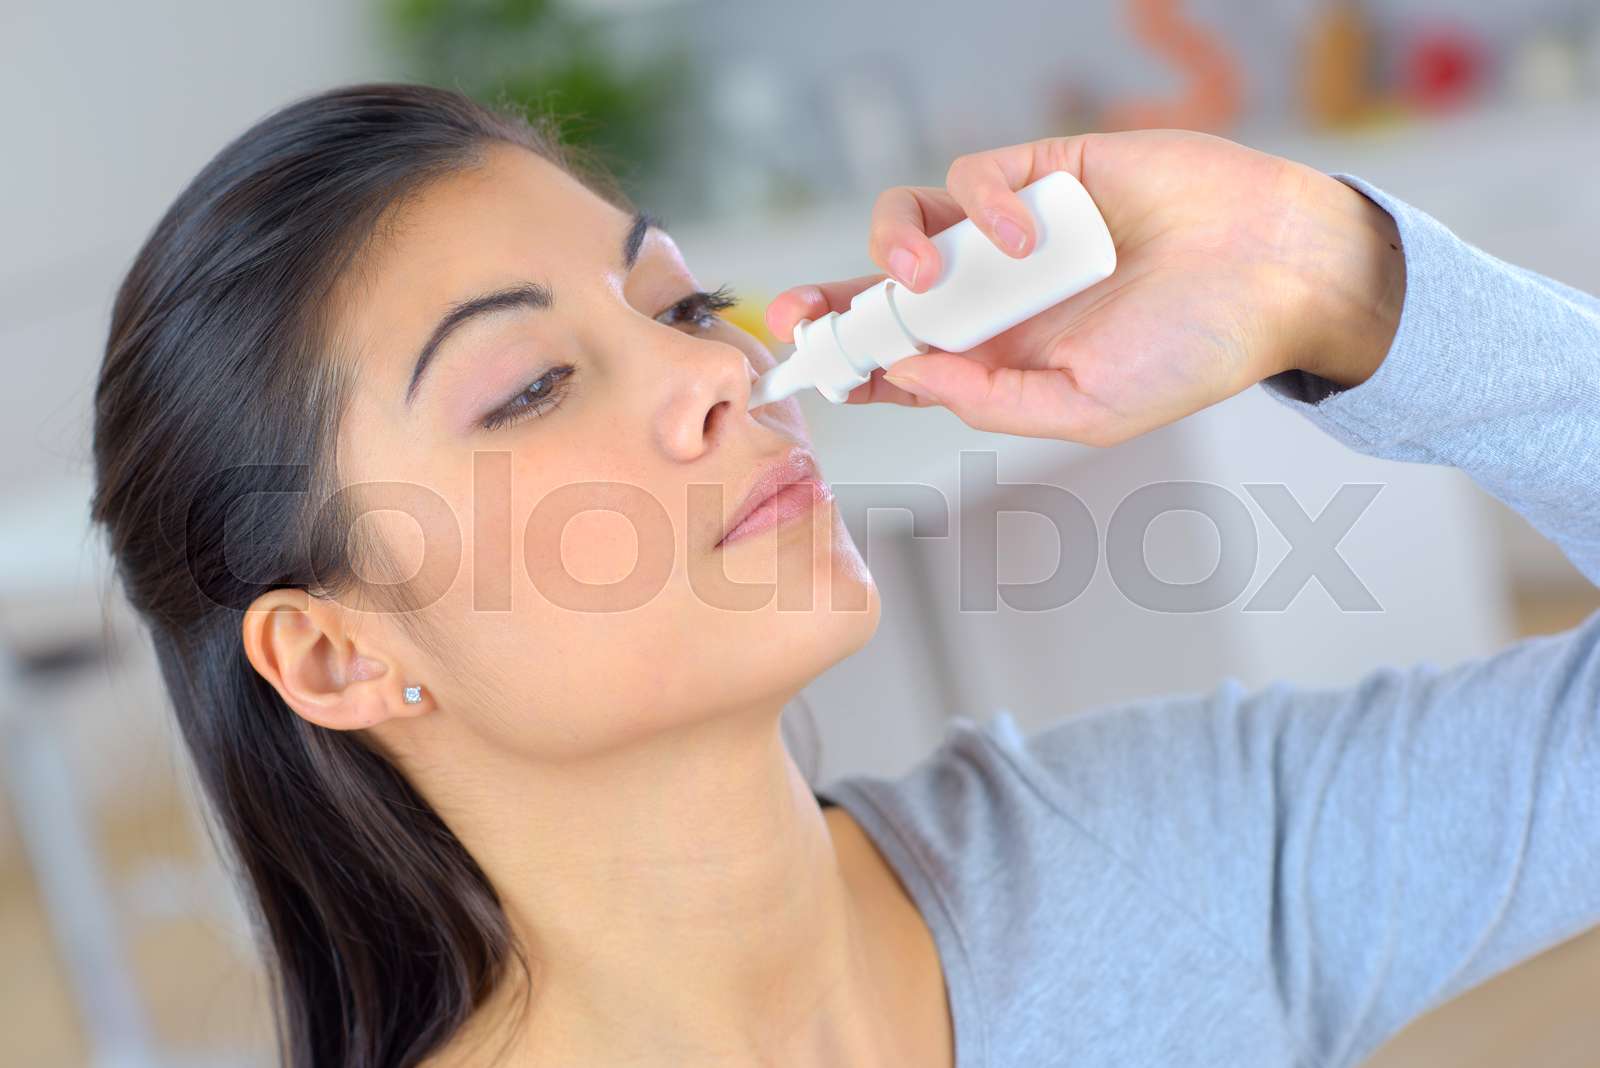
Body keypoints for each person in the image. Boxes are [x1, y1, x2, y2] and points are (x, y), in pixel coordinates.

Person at [87, 83, 1598, 1068]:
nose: (720, 377)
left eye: (683, 303)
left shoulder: (1148, 871)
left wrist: (1332, 272)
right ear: (335, 655)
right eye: (531, 385)